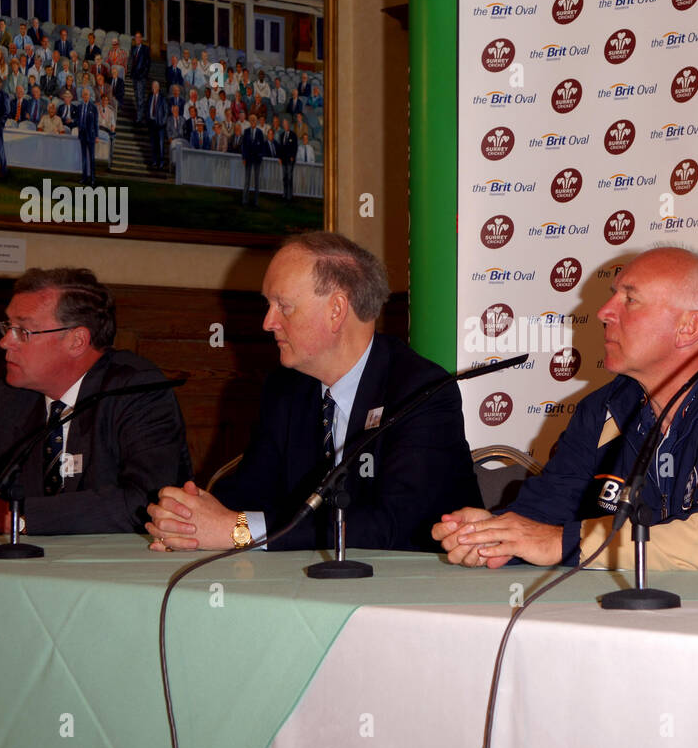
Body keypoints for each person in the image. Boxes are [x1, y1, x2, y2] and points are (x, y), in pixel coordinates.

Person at [435, 247, 698, 570]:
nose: (605, 312)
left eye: (630, 299)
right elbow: (540, 519)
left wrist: (561, 543)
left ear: (688, 328)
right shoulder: (607, 406)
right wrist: (494, 538)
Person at [145, 234, 480, 552]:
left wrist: (239, 530)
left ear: (336, 310)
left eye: (284, 306)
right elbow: (250, 494)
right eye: (268, 305)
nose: (267, 322)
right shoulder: (286, 388)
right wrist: (189, 522)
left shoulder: (420, 390)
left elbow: (392, 525)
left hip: (412, 591)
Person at [0, 268, 192, 536]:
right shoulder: (15, 396)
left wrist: (14, 519)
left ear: (76, 341)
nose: (4, 342)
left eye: (23, 331)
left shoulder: (136, 389)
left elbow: (146, 502)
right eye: (7, 327)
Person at [240, 114, 264, 206]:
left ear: (256, 121)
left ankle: (256, 201)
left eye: (254, 120)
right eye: (251, 120)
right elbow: (244, 146)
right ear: (250, 121)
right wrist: (244, 157)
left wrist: (260, 157)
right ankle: (244, 200)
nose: (253, 121)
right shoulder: (246, 132)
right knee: (247, 180)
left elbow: (262, 147)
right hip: (248, 159)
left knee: (257, 181)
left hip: (257, 159)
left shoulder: (260, 132)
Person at [77, 86, 98, 185]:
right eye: (84, 94)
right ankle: (84, 177)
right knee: (84, 158)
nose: (85, 96)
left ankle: (93, 178)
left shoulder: (93, 107)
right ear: (82, 96)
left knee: (92, 158)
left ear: (89, 96)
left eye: (87, 94)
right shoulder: (80, 107)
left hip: (91, 136)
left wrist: (96, 136)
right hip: (82, 135)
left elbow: (96, 123)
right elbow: (78, 119)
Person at [278, 118, 298, 200]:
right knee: (284, 177)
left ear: (289, 125)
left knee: (289, 178)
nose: (285, 125)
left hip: (290, 160)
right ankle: (285, 194)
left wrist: (293, 156)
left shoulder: (293, 135)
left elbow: (295, 147)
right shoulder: (282, 135)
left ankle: (290, 195)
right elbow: (280, 148)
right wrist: (279, 158)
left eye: (286, 124)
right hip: (283, 160)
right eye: (284, 124)